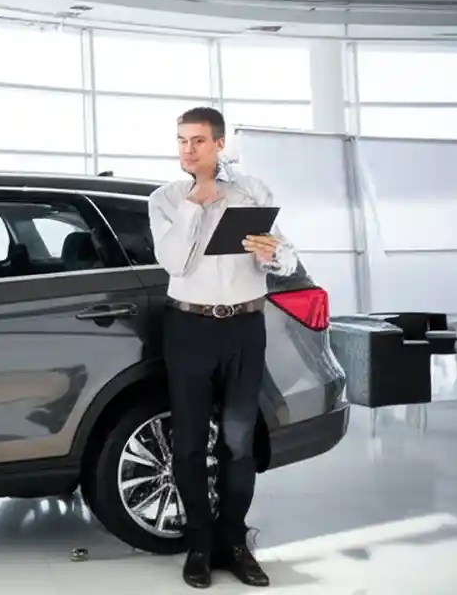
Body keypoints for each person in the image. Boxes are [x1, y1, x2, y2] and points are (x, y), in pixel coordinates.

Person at [148, 107, 297, 589]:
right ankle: (199, 543)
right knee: (189, 442)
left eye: (196, 141)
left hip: (244, 327)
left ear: (219, 144)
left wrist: (274, 255)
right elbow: (174, 263)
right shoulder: (166, 199)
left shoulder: (252, 193)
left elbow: (288, 257)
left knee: (238, 442)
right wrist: (197, 203)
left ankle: (233, 543)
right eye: (181, 141)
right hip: (189, 327)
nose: (187, 150)